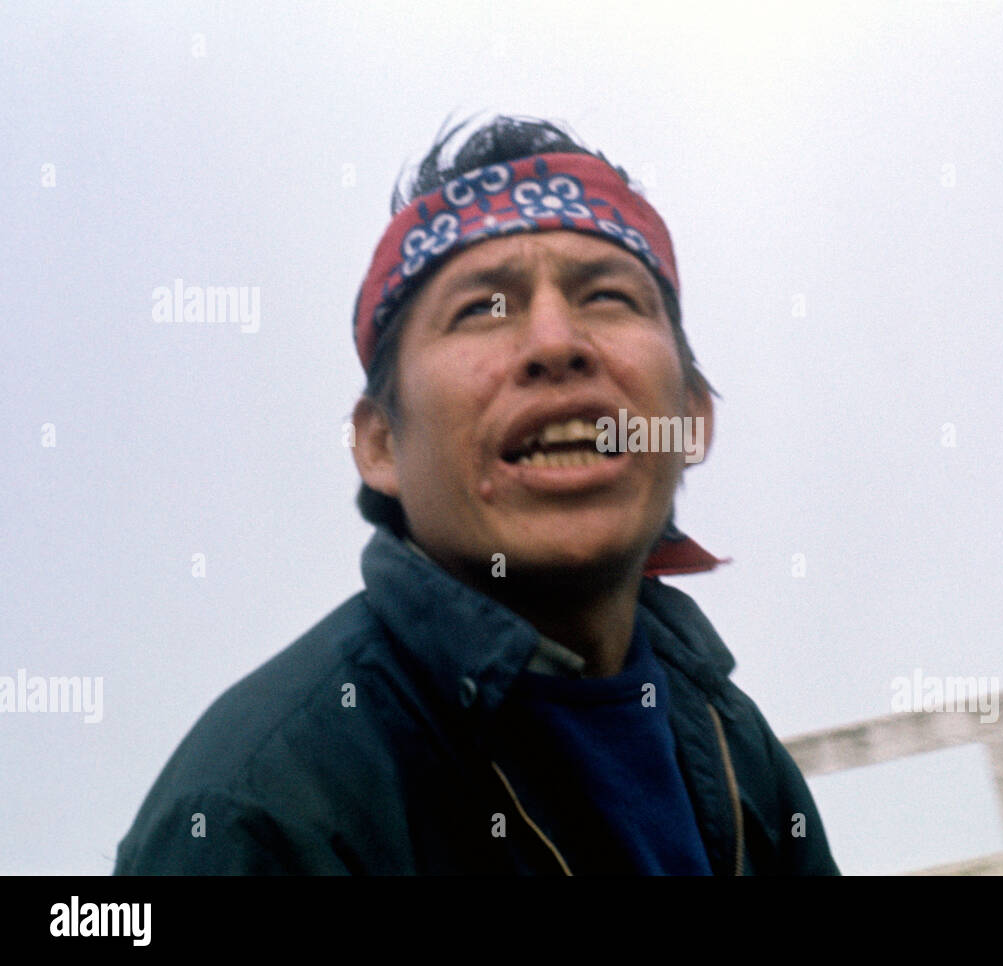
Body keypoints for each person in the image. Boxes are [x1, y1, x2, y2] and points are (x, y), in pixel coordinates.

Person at [113, 115, 839, 875]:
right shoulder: (260, 817)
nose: (556, 343)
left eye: (608, 298)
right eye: (481, 309)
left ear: (690, 419)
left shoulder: (732, 743)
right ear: (381, 445)